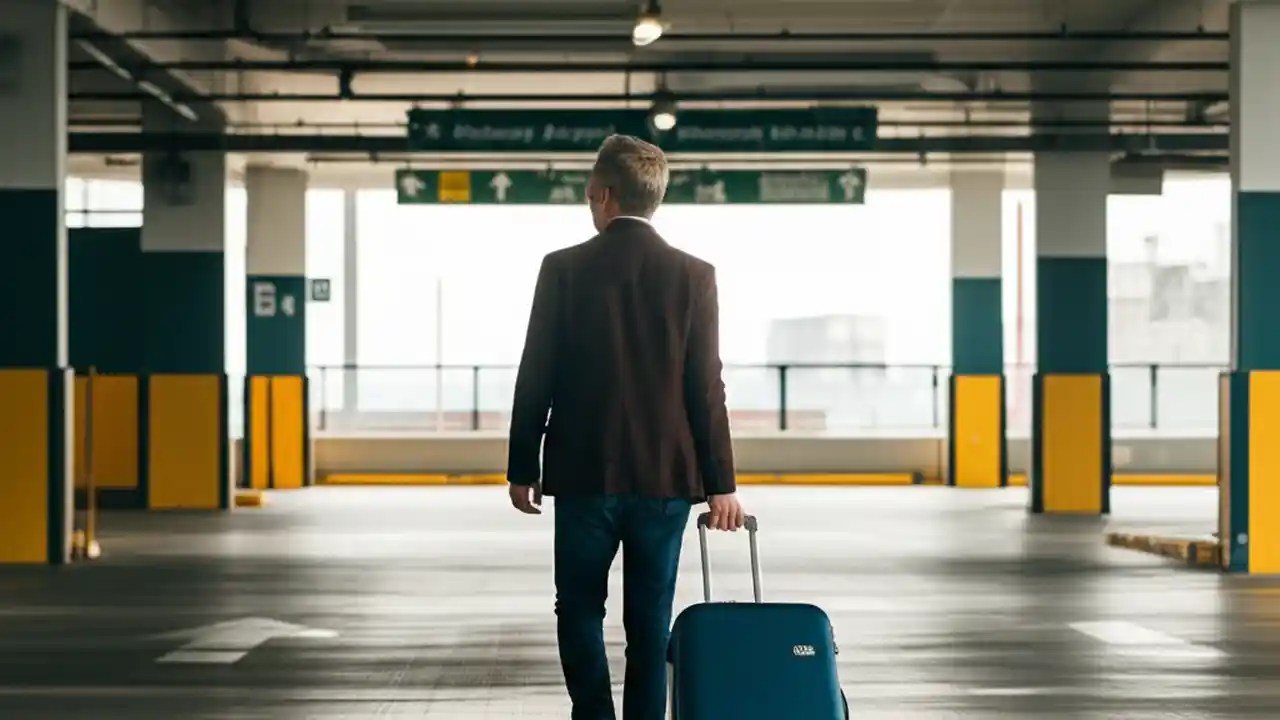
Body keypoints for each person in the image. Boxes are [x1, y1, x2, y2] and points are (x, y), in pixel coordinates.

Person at [506, 134, 744, 720]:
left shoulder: (562, 269)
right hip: (665, 479)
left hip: (584, 474)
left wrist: (521, 466)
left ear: (604, 194)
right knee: (650, 617)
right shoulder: (695, 275)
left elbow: (536, 370)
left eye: (591, 193)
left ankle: (593, 715)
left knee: (579, 609)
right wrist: (722, 483)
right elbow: (705, 386)